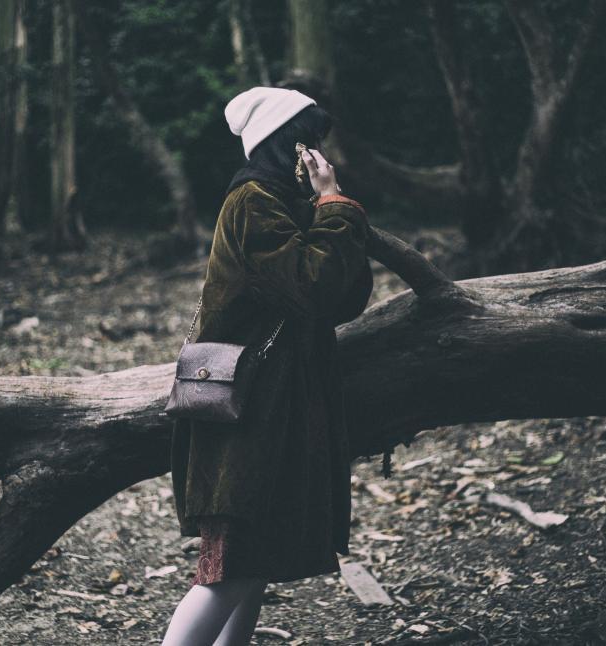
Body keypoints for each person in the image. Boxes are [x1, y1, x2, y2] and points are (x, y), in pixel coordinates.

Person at [163, 86, 373, 645]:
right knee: (230, 569)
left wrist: (331, 210)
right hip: (250, 413)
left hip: (275, 407)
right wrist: (333, 207)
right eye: (309, 142)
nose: (320, 156)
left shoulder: (281, 203)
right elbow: (313, 284)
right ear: (289, 146)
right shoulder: (253, 202)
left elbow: (344, 298)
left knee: (251, 569)